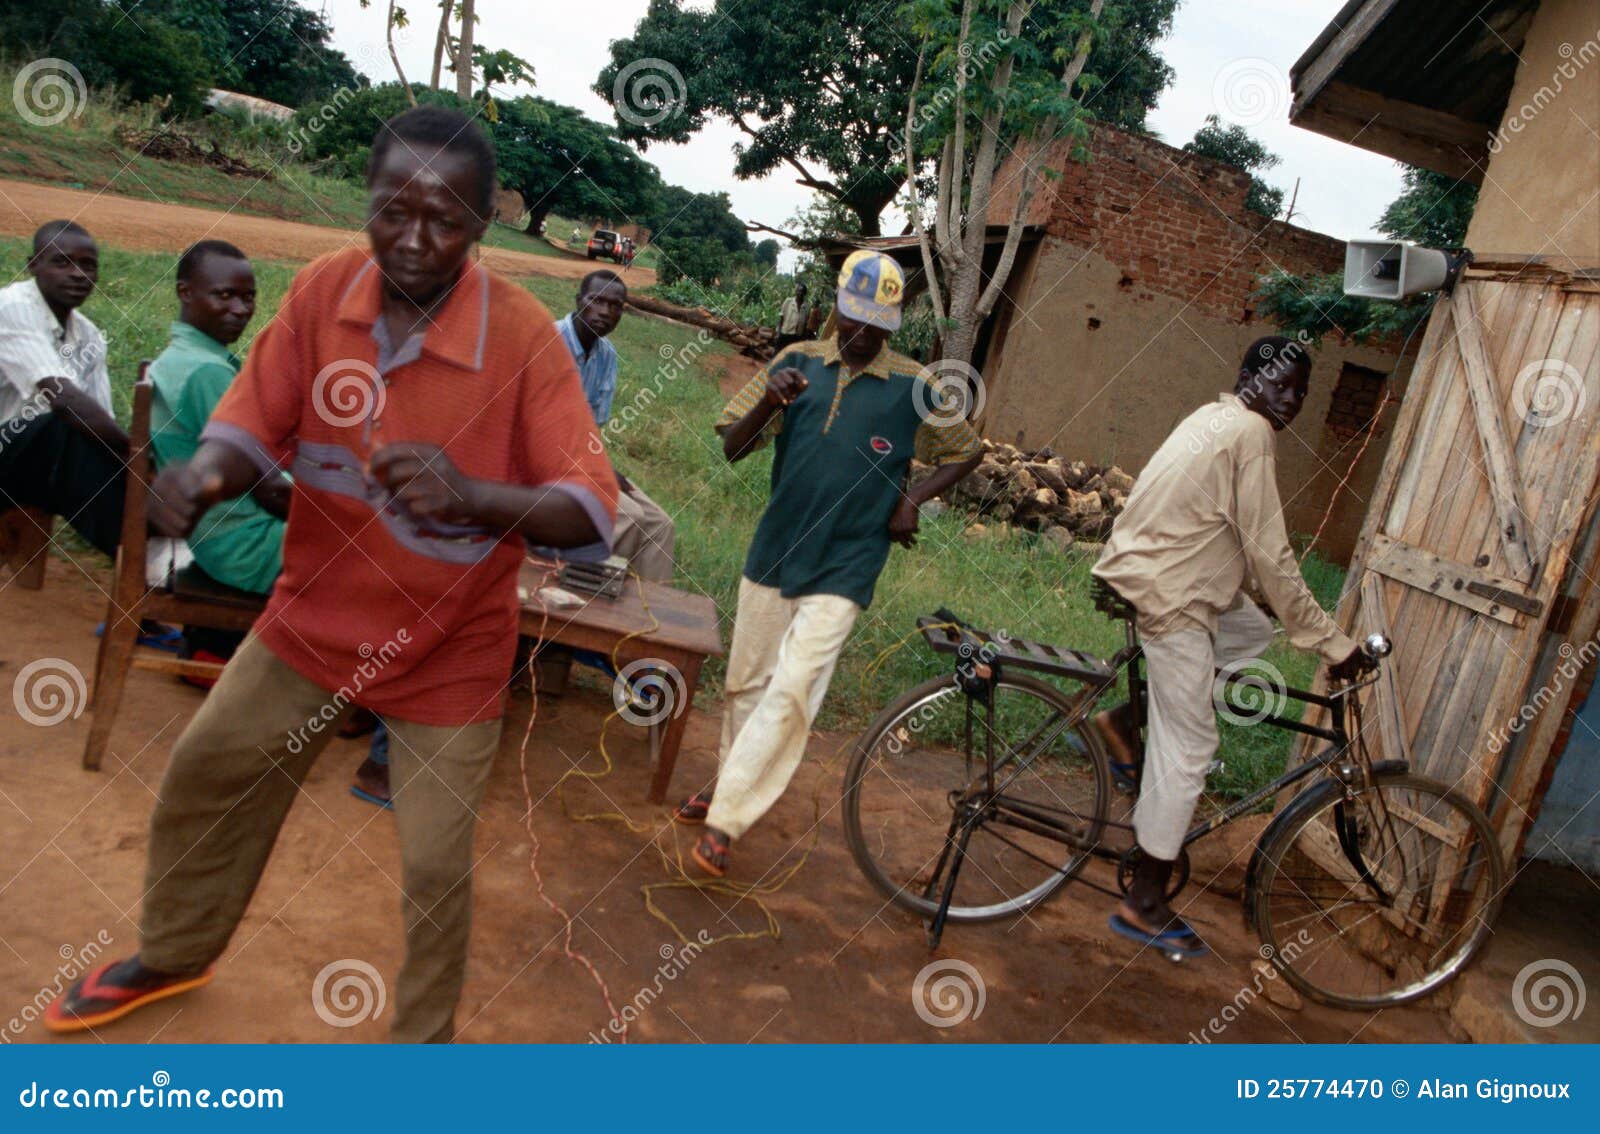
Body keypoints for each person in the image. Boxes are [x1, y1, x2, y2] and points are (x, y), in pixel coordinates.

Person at [46, 107, 618, 1043]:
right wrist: (204, 473)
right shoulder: (323, 294)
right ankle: (175, 952)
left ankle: (419, 1051)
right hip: (312, 621)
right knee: (207, 770)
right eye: (393, 209)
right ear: (368, 202)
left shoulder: (519, 339)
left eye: (444, 218)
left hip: (449, 650)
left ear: (481, 227)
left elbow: (590, 510)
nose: (413, 238)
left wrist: (472, 493)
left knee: (436, 868)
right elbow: (248, 420)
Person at [675, 251, 982, 876]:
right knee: (747, 683)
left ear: (895, 323)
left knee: (793, 689)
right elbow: (733, 448)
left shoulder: (916, 387)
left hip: (850, 558)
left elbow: (968, 451)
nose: (864, 332)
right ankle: (732, 779)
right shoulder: (796, 363)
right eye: (855, 316)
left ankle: (726, 822)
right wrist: (770, 401)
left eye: (878, 322)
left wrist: (912, 497)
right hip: (777, 547)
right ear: (836, 307)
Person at [1089, 336, 1371, 957]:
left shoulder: (1210, 416)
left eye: (1300, 390)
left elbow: (1226, 531)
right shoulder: (1252, 434)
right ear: (1247, 378)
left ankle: (1125, 722)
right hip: (1172, 598)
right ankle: (1144, 903)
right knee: (1191, 748)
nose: (1291, 399)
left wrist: (1272, 602)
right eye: (1280, 384)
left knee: (1250, 630)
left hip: (1141, 569)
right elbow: (1270, 549)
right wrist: (1333, 643)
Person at [146, 239, 393, 807]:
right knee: (392, 566)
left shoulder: (193, 358)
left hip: (225, 530)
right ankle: (384, 751)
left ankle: (357, 700)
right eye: (224, 295)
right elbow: (273, 494)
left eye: (248, 298)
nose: (239, 308)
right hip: (240, 540)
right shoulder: (207, 374)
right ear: (186, 293)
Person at [0, 221, 127, 557]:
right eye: (62, 262)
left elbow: (100, 423)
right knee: (61, 428)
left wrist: (135, 465)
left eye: (88, 265)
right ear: (33, 266)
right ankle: (135, 554)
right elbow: (63, 399)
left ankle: (141, 545)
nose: (77, 274)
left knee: (85, 442)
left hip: (23, 460)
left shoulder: (88, 337)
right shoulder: (11, 308)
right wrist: (138, 455)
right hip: (13, 452)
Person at [557, 270, 675, 582]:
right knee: (627, 515)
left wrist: (601, 466)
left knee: (660, 524)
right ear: (579, 300)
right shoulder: (550, 343)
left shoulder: (606, 355)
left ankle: (645, 618)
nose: (606, 312)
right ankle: (585, 601)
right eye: (597, 301)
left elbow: (592, 429)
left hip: (579, 459)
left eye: (616, 305)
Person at [773, 282, 807, 354]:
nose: (800, 293)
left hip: (795, 336)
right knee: (777, 353)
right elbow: (781, 317)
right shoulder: (788, 301)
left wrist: (801, 337)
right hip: (785, 332)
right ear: (796, 291)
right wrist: (778, 332)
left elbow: (804, 323)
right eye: (799, 291)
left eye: (802, 291)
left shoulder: (805, 306)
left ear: (805, 294)